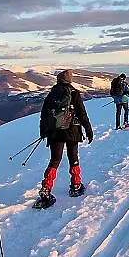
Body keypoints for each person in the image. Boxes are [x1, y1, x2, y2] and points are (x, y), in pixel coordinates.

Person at [38, 69, 94, 205]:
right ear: (69, 80)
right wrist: (88, 129)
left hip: (54, 132)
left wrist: (44, 132)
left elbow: (44, 115)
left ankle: (46, 188)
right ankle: (76, 185)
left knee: (54, 159)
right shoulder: (74, 93)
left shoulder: (51, 94)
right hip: (72, 131)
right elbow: (82, 114)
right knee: (73, 158)